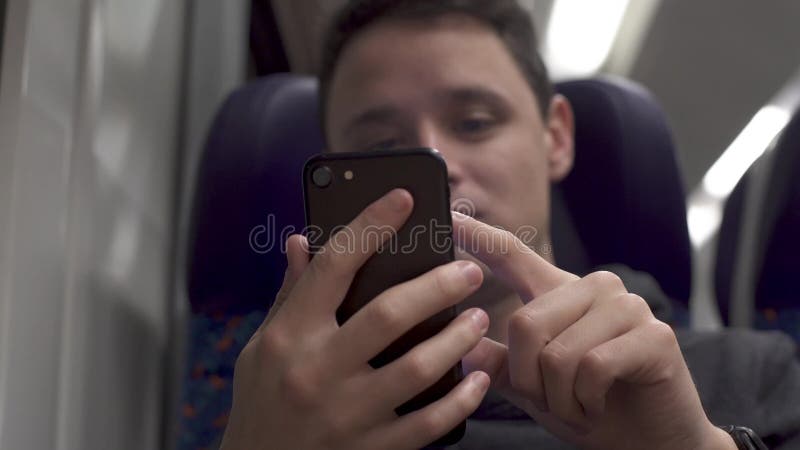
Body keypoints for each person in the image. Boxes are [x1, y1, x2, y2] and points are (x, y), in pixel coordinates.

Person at [219, 1, 800, 448]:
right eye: (381, 145)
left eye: (474, 123)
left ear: (556, 137)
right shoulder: (285, 403)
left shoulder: (753, 373)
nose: (437, 163)